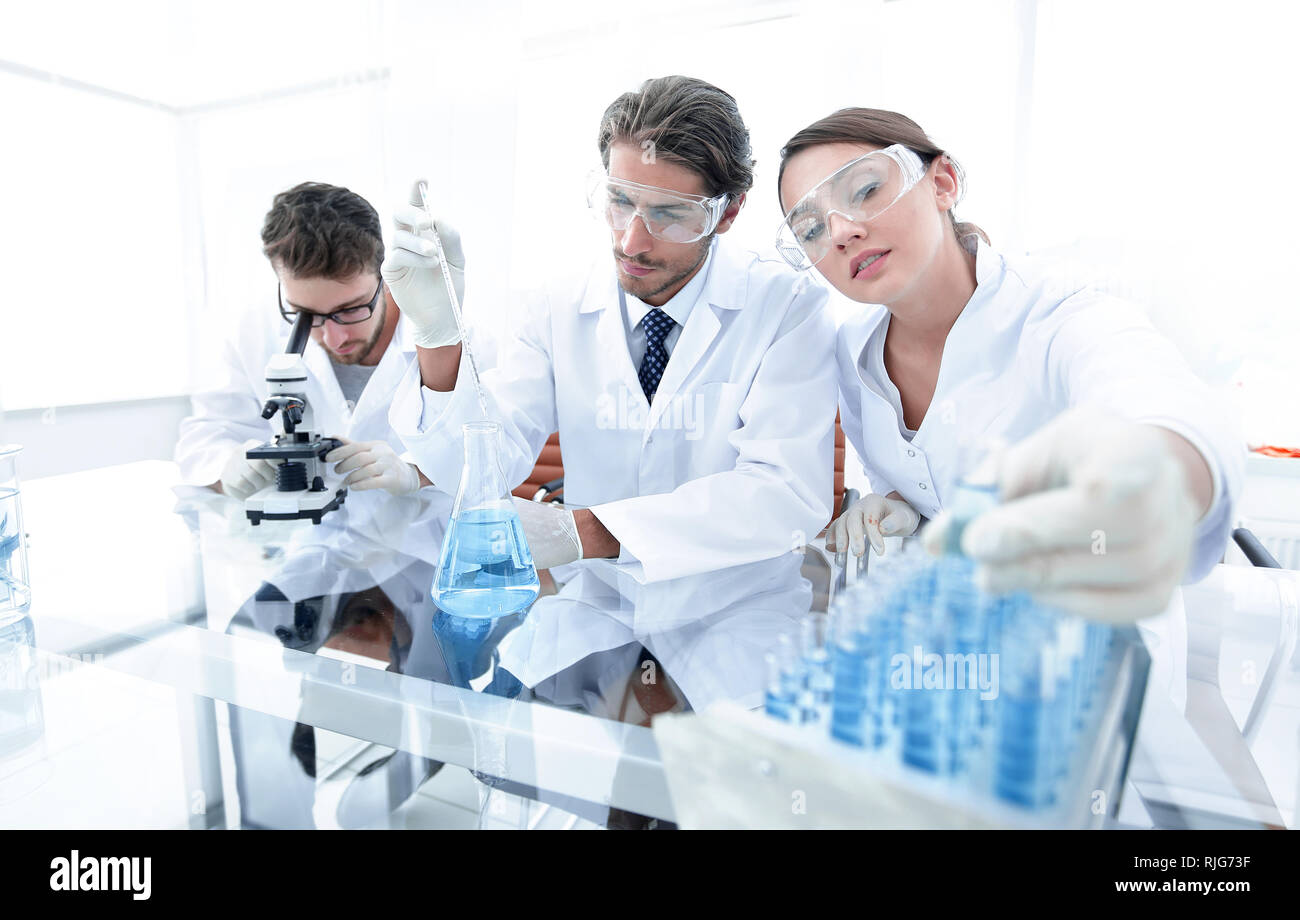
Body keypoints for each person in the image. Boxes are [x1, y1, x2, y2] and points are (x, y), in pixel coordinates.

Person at [384, 76, 838, 714]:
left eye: (670, 214)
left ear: (728, 213)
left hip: (736, 615)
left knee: (724, 799)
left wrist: (587, 531)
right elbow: (477, 465)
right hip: (595, 606)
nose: (632, 240)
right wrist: (437, 335)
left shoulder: (788, 305)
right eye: (620, 201)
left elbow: (785, 492)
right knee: (534, 793)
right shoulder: (554, 304)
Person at [776, 108, 1243, 621]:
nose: (840, 232)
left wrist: (1147, 482)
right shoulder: (852, 352)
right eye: (811, 229)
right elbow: (920, 481)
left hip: (1087, 646)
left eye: (864, 190)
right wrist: (898, 506)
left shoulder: (1056, 307)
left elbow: (1160, 400)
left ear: (943, 183)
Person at [175, 182, 447, 559]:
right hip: (299, 557)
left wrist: (416, 471)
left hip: (416, 557)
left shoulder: (441, 333)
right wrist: (227, 465)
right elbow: (205, 435)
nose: (333, 336)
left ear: (382, 274)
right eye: (306, 315)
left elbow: (492, 450)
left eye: (351, 309)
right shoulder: (254, 330)